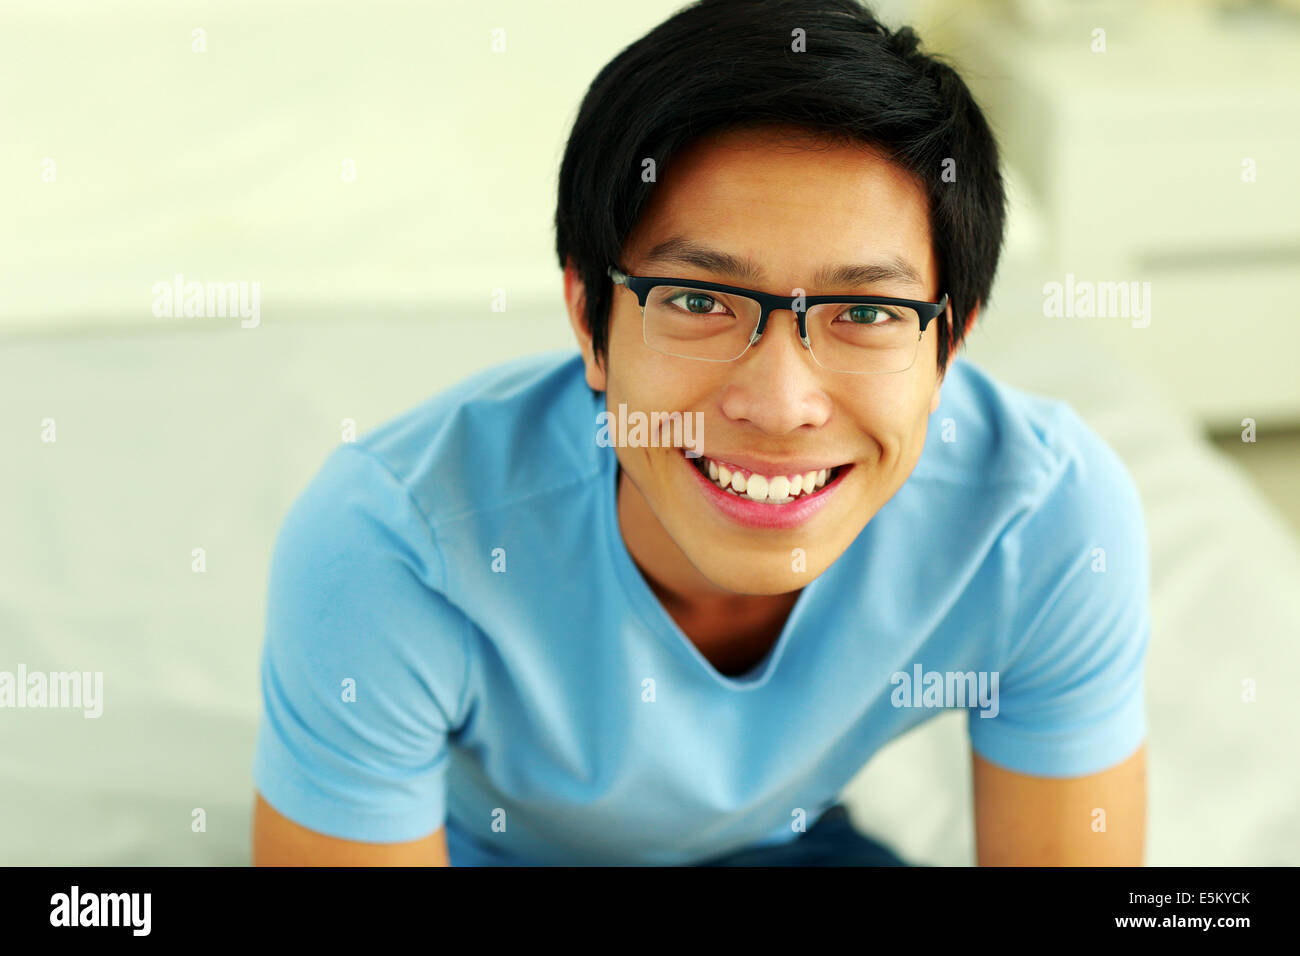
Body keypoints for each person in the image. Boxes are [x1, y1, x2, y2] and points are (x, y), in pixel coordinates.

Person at [252, 0, 1148, 866]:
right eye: (696, 301)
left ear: (949, 341)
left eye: (867, 311)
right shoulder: (390, 545)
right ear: (587, 318)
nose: (780, 402)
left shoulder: (1046, 518)